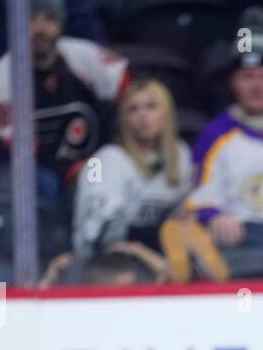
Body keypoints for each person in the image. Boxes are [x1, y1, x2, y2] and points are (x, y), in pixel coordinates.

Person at [181, 8, 263, 278]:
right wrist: (215, 216)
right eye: (248, 77)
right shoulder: (214, 135)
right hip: (240, 246)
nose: (257, 86)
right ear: (233, 82)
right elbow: (198, 199)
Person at [0, 0, 129, 201]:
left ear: (60, 25)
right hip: (33, 172)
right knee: (46, 185)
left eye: (48, 20)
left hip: (89, 164)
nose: (40, 29)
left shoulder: (82, 56)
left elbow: (129, 91)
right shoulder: (1, 77)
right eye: (31, 20)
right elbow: (10, 153)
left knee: (101, 177)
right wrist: (67, 172)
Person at [72, 80, 194, 257]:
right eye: (133, 109)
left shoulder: (180, 154)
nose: (143, 116)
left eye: (151, 107)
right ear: (123, 119)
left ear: (166, 113)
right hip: (106, 261)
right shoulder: (104, 160)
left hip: (156, 251)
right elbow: (98, 232)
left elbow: (185, 208)